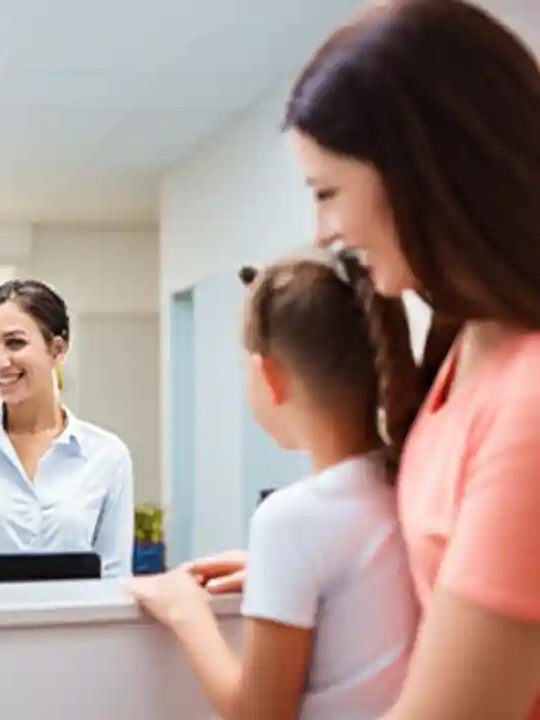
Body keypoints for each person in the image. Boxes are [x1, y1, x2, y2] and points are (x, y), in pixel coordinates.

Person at [186, 2, 540, 717]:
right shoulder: (465, 347)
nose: (325, 232)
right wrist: (307, 577)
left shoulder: (528, 399)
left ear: (419, 175)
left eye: (327, 193)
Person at [130, 251, 420, 719]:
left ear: (270, 375)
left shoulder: (291, 519)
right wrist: (274, 572)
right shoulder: (412, 480)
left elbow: (258, 716)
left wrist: (185, 610)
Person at [0, 279, 134, 578]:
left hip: (74, 624)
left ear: (57, 349)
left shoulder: (107, 456)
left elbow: (115, 577)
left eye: (15, 343)